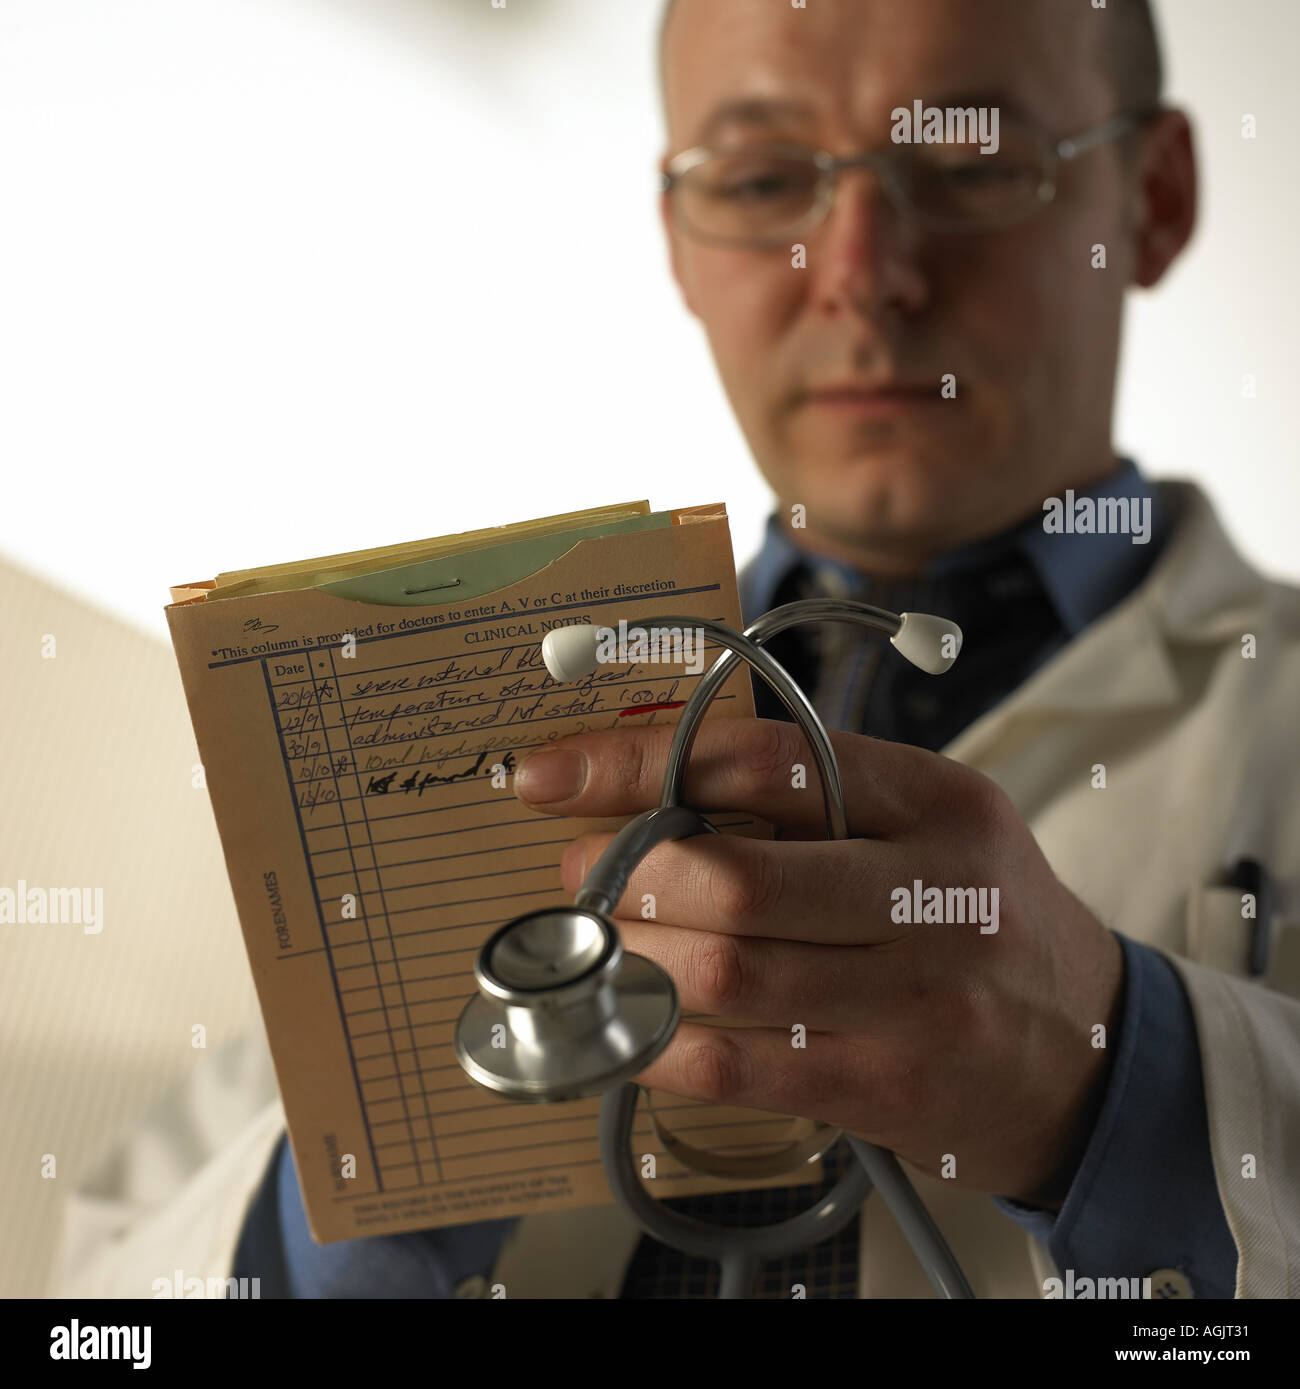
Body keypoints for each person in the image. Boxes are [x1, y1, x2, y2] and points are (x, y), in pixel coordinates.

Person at [54, 0, 1300, 1300]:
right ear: (677, 237)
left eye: (972, 163)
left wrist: (1119, 1085)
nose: (862, 267)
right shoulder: (448, 764)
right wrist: (352, 1223)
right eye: (763, 180)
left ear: (1152, 199)